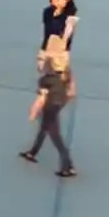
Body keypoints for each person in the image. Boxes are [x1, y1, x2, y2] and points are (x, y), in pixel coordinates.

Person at [19, 43, 77, 177]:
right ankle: (33, 152)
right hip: (58, 104)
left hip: (50, 107)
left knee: (56, 137)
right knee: (43, 129)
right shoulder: (64, 74)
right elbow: (71, 92)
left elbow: (41, 99)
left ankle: (68, 166)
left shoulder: (45, 80)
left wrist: (33, 112)